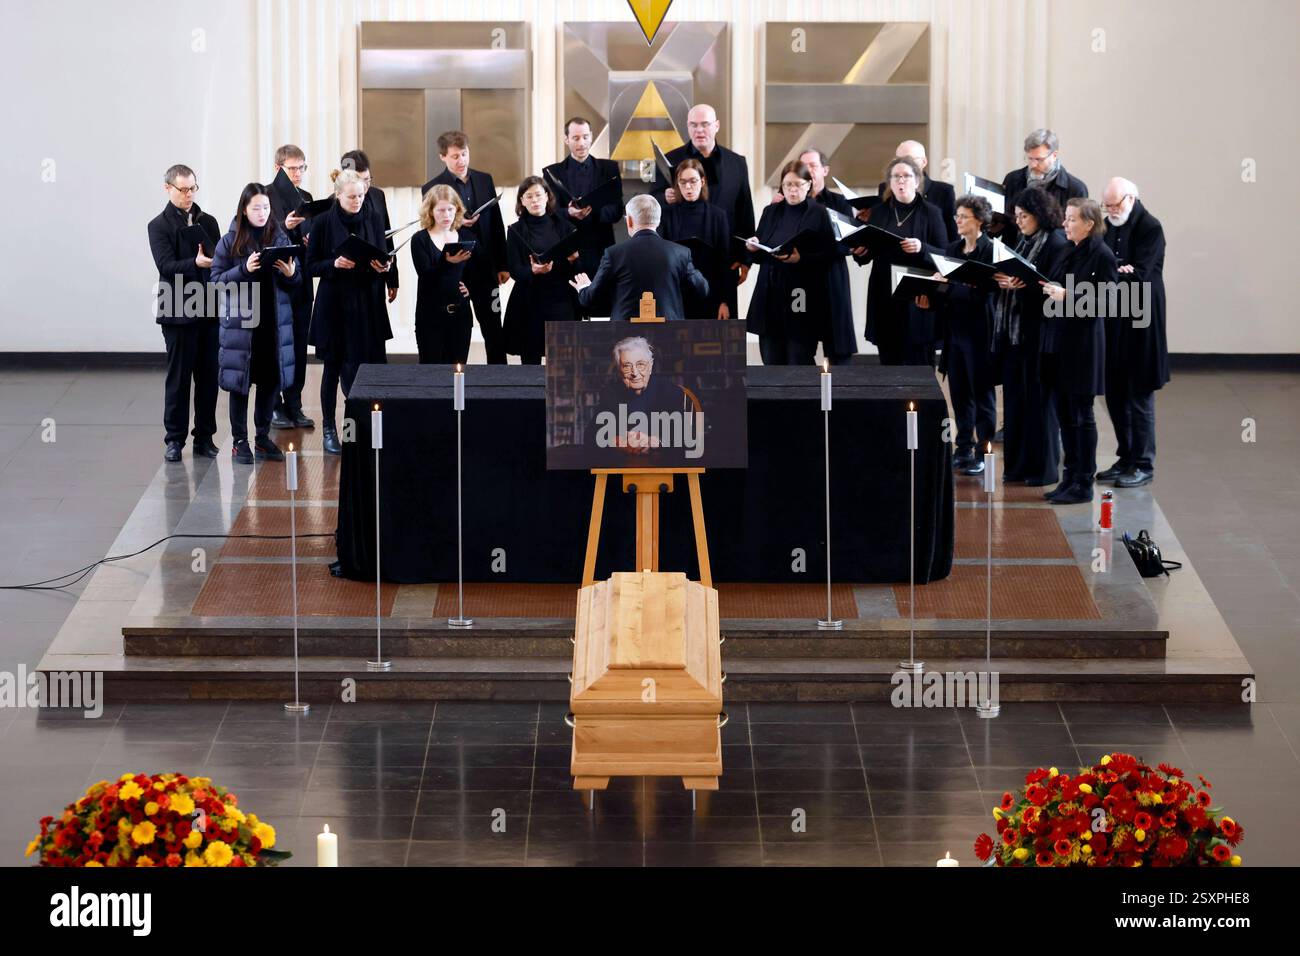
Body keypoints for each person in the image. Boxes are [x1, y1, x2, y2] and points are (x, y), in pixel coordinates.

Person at [209, 183, 300, 464]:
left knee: (270, 381)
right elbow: (215, 282)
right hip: (242, 327)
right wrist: (243, 270)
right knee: (241, 384)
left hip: (273, 326)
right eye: (256, 208)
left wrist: (291, 274)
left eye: (266, 207)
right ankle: (239, 441)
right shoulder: (230, 241)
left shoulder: (280, 237)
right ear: (244, 210)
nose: (262, 213)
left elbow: (295, 281)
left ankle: (261, 438)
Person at [306, 169, 393, 455]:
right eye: (352, 196)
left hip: (366, 301)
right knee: (332, 368)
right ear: (338, 195)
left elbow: (382, 254)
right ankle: (329, 429)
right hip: (334, 304)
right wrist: (334, 264)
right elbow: (310, 266)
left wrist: (384, 267)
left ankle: (356, 428)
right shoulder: (320, 223)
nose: (357, 200)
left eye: (361, 195)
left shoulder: (374, 217)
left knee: (366, 367)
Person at [1039, 198, 1117, 505]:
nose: (1065, 224)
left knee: (1081, 416)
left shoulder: (1102, 255)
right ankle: (1070, 476)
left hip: (1083, 346)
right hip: (1060, 342)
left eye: (1071, 219)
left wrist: (1067, 295)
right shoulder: (1069, 250)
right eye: (1066, 218)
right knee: (1065, 415)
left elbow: (1109, 304)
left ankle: (1084, 481)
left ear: (1089, 223)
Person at [991, 187, 1068, 486]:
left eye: (1024, 216)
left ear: (1040, 215)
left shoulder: (1056, 243)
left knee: (1040, 405)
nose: (1019, 222)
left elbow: (1054, 292)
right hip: (1016, 335)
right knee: (1016, 403)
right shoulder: (1023, 241)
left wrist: (1024, 286)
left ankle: (1043, 469)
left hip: (1040, 335)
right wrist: (1006, 281)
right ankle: (1018, 467)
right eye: (1016, 216)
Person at [650, 103, 755, 318]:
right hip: (679, 266)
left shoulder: (737, 163)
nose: (699, 130)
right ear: (687, 127)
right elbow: (652, 204)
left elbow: (745, 212)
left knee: (721, 337)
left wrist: (745, 259)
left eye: (705, 124)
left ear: (716, 126)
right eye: (693, 125)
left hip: (721, 264)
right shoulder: (670, 160)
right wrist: (665, 197)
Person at [1097, 177, 1169, 488]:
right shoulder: (1108, 224)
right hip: (1115, 320)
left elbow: (1140, 274)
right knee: (1114, 392)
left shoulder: (1150, 227)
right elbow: (1103, 267)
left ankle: (1143, 463)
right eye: (1107, 205)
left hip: (1141, 321)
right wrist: (1117, 269)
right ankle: (1126, 456)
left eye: (1116, 205)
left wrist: (1118, 271)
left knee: (1139, 394)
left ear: (1132, 198)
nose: (1111, 211)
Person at [147, 163, 220, 462]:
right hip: (178, 311)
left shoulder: (209, 221)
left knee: (208, 376)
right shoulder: (159, 226)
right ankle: (174, 439)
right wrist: (197, 264)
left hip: (208, 309)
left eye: (193, 188)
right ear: (168, 188)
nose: (189, 194)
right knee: (179, 378)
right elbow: (166, 266)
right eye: (183, 189)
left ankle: (204, 437)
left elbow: (220, 257)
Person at [920, 195, 998, 474]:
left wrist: (950, 286)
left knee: (982, 394)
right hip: (955, 331)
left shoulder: (990, 251)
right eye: (957, 216)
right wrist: (933, 294)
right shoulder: (952, 249)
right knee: (959, 392)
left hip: (980, 331)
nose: (958, 221)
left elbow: (985, 291)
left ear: (979, 220)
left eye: (963, 216)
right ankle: (963, 447)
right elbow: (948, 291)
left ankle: (983, 451)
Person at [850, 156, 949, 365]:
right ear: (889, 182)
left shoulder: (931, 213)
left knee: (919, 366)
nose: (901, 181)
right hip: (884, 295)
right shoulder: (879, 212)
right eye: (896, 176)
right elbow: (870, 253)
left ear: (917, 180)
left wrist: (922, 248)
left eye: (906, 176)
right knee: (889, 363)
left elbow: (945, 256)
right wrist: (860, 253)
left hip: (917, 296)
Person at [422, 131, 510, 363]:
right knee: (455, 333)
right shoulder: (432, 187)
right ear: (443, 157)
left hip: (486, 268)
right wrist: (458, 222)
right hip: (453, 272)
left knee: (493, 329)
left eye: (464, 154)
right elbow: (430, 226)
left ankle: (498, 384)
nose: (461, 161)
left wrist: (502, 264)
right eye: (454, 156)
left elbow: (496, 225)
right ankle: (454, 386)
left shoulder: (484, 180)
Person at [744, 161, 838, 365]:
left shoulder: (819, 213)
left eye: (798, 185)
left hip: (800, 293)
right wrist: (753, 247)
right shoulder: (771, 212)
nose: (793, 190)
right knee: (771, 357)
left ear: (808, 184)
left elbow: (829, 253)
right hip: (770, 291)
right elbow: (760, 253)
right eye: (788, 185)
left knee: (799, 356)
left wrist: (801, 258)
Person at [570, 195, 708, 322]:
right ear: (658, 221)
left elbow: (589, 299)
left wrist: (583, 287)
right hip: (670, 333)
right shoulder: (681, 253)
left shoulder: (613, 254)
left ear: (629, 221)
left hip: (625, 337)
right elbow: (702, 289)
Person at [544, 117, 622, 313]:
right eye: (576, 138)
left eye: (585, 137)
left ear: (591, 137)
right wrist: (568, 212)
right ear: (566, 140)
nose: (581, 143)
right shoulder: (552, 172)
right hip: (568, 250)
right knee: (568, 307)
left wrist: (592, 212)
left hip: (601, 248)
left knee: (602, 305)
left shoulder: (609, 168)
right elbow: (548, 212)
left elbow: (617, 210)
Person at [504, 176, 581, 364]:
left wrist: (573, 260)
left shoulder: (565, 226)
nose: (534, 200)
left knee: (563, 358)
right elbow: (514, 270)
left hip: (560, 298)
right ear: (522, 201)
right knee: (530, 358)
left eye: (538, 195)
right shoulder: (515, 230)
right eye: (528, 197)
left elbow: (578, 263)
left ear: (547, 197)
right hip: (529, 301)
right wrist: (533, 271)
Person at [267, 144, 316, 430]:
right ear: (278, 168)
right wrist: (284, 227)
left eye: (301, 167)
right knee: (277, 345)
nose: (298, 173)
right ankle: (274, 406)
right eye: (292, 168)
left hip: (302, 278)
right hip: (277, 281)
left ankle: (294, 404)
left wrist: (311, 240)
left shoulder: (306, 197)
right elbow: (261, 236)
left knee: (298, 344)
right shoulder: (265, 194)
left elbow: (309, 232)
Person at [795, 148, 857, 362]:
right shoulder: (791, 202)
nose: (808, 171)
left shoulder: (840, 203)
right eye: (803, 166)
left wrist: (808, 252)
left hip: (832, 280)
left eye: (813, 165)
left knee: (838, 350)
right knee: (800, 350)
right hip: (800, 284)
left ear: (825, 170)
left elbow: (847, 245)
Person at [657, 159, 733, 321]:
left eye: (693, 181)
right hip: (676, 295)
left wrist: (724, 301)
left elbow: (724, 261)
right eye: (682, 182)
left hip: (710, 293)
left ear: (703, 181)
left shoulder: (717, 216)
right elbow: (661, 260)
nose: (688, 187)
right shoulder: (667, 215)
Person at [410, 185, 473, 364]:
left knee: (457, 372)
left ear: (457, 209)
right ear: (430, 211)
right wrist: (448, 262)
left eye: (450, 209)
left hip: (460, 315)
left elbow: (478, 271)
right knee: (431, 373)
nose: (446, 215)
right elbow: (425, 275)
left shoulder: (465, 236)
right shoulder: (420, 239)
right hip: (430, 317)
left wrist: (471, 288)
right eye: (440, 210)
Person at [1001, 129, 1088, 245]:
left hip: (1053, 256)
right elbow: (1004, 223)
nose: (1033, 165)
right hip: (1013, 250)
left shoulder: (1075, 189)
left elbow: (1078, 235)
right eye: (1029, 158)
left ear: (1054, 155)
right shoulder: (1012, 180)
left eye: (1039, 159)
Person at [876, 140, 957, 242]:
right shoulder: (886, 188)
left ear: (924, 162)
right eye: (899, 160)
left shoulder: (943, 191)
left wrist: (922, 248)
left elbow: (953, 241)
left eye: (909, 160)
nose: (904, 164)